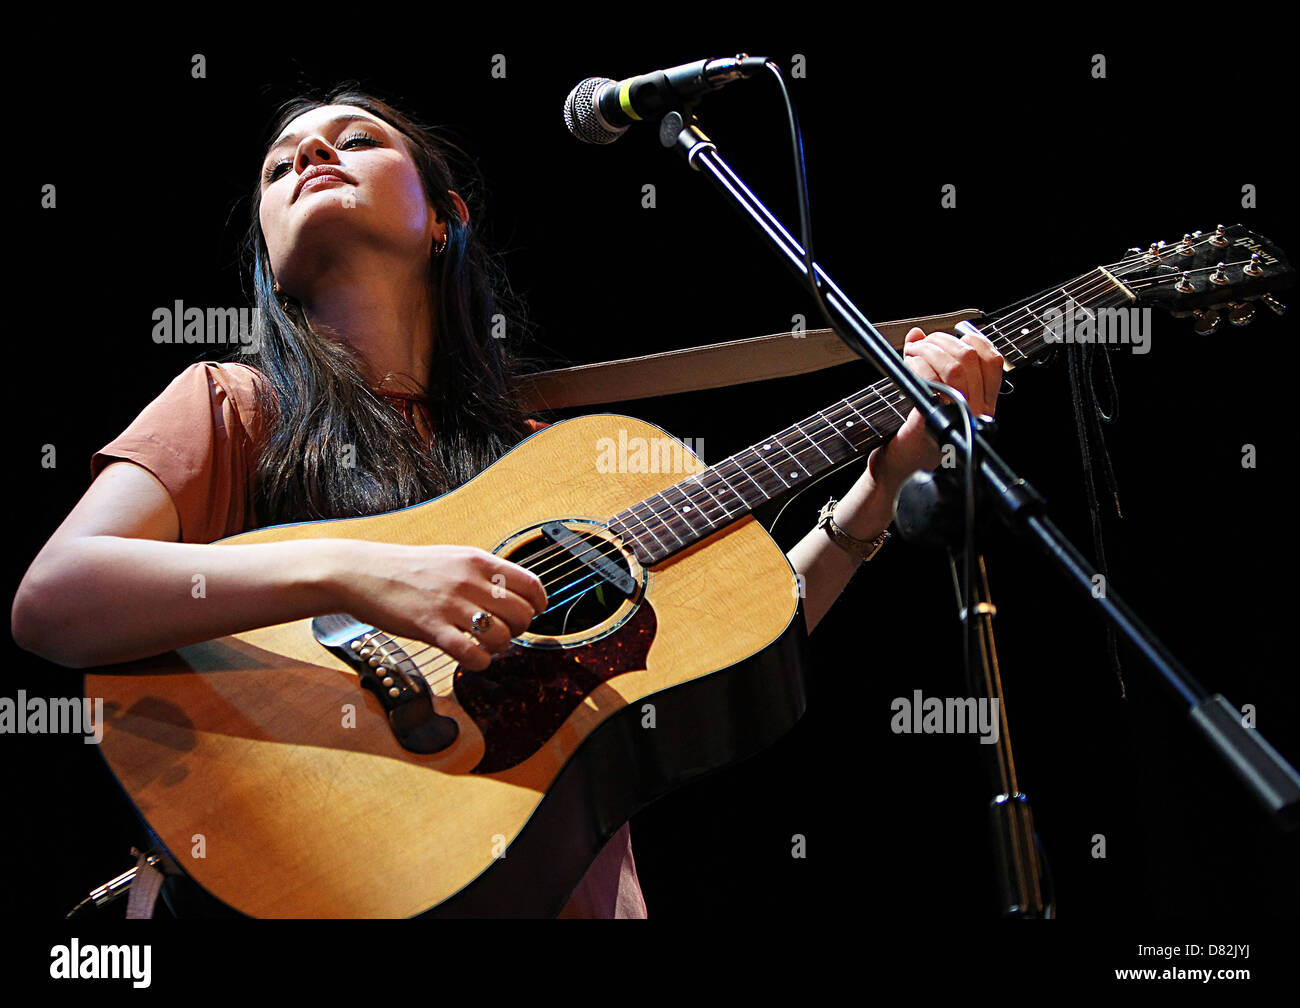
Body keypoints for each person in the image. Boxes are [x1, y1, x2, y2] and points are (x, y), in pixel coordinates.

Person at [10, 86, 1003, 918]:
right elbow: (57, 600)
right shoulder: (231, 404)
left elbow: (738, 625)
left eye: (356, 137)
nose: (311, 149)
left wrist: (880, 485)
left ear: (444, 218)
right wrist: (355, 571)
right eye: (278, 165)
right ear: (271, 260)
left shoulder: (549, 467)